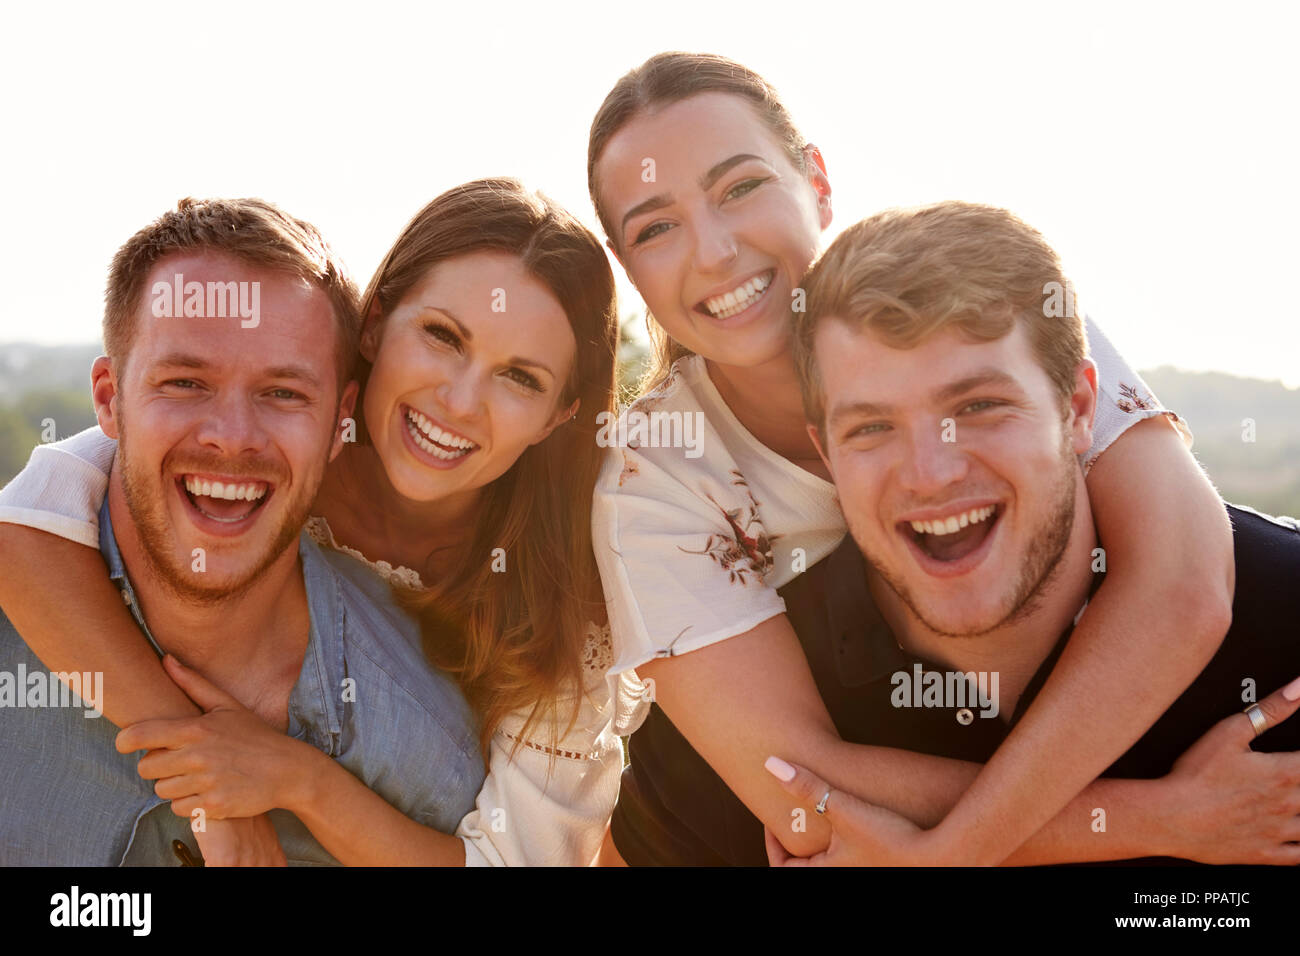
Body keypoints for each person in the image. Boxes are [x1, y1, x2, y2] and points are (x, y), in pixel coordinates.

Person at [587, 52, 1237, 866]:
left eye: (740, 188)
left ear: (817, 182)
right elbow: (801, 791)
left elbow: (1180, 584)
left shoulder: (979, 294)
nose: (714, 251)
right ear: (631, 272)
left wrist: (948, 855)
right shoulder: (655, 478)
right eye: (656, 227)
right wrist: (1161, 820)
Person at [0, 181, 645, 866]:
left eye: (520, 378)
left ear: (560, 415)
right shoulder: (274, 446)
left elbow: (527, 863)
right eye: (441, 336)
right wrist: (202, 777)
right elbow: (29, 526)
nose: (459, 402)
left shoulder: (568, 592)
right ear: (376, 322)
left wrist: (299, 781)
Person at [763, 201, 1300, 865]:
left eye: (979, 406)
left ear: (1077, 410)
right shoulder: (762, 698)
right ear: (825, 455)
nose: (930, 474)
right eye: (871, 428)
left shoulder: (1285, 622)